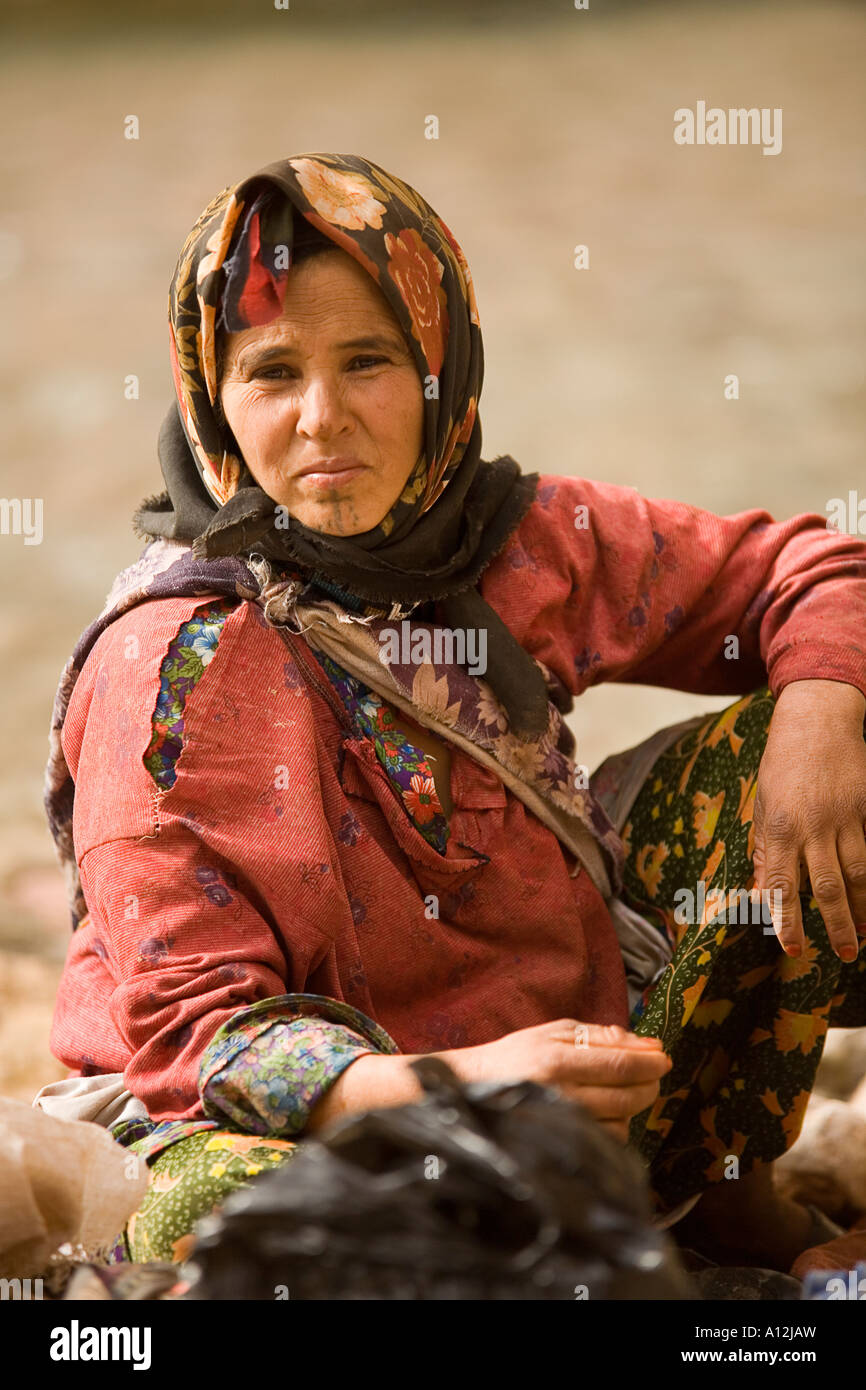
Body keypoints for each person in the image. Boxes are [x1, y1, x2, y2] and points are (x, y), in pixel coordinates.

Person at [41, 152, 866, 1275]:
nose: (321, 419)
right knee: (233, 1210)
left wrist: (816, 727)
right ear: (214, 400)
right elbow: (196, 1037)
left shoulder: (511, 539)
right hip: (324, 1112)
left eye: (369, 360)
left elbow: (803, 572)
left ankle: (721, 1184)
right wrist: (459, 1084)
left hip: (587, 1084)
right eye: (272, 371)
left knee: (820, 722)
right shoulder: (169, 667)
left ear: (441, 366)